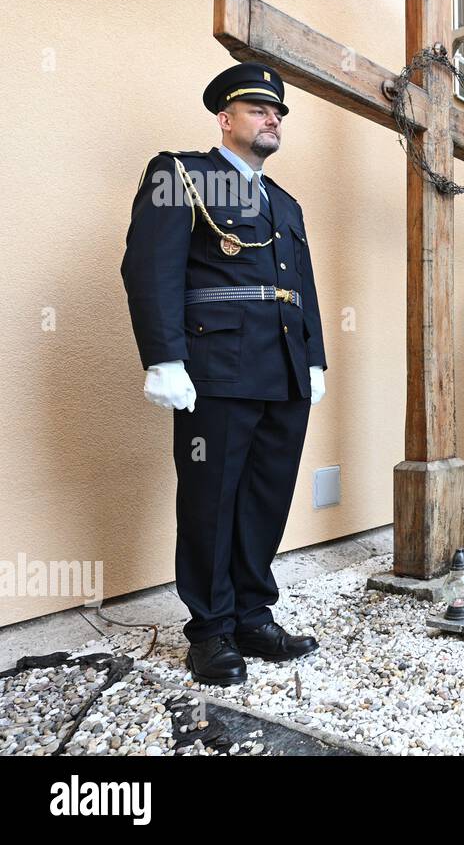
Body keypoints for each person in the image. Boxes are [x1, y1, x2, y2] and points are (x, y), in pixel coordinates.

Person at [121, 62, 325, 686]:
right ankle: (209, 630)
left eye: (280, 112)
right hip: (218, 368)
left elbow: (302, 286)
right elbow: (148, 267)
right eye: (259, 109)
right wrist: (164, 357)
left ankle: (251, 615)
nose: (273, 118)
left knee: (266, 495)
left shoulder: (283, 202)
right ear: (225, 118)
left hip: (283, 369)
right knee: (212, 498)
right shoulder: (181, 174)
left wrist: (314, 357)